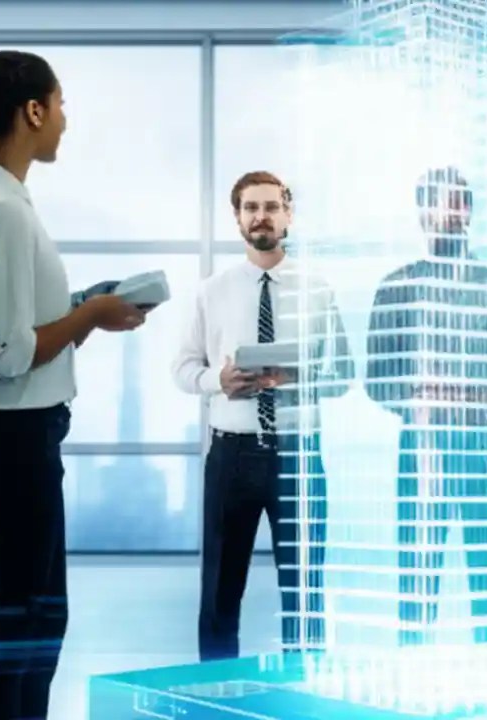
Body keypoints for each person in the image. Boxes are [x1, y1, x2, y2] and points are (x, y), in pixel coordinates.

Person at [0, 50, 147, 720]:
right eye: (59, 105)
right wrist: (89, 315)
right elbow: (7, 352)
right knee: (20, 625)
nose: (64, 120)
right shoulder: (5, 211)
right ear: (33, 111)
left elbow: (6, 328)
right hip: (9, 439)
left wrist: (85, 307)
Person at [172, 170, 354, 659]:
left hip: (297, 456)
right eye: (251, 207)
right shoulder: (213, 291)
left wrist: (294, 379)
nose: (261, 216)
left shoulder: (317, 289)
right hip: (231, 456)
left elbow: (344, 373)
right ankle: (211, 695)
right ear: (237, 218)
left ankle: (303, 694)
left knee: (305, 594)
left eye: (272, 207)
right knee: (219, 594)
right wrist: (219, 381)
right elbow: (184, 368)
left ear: (288, 215)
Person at [365, 166, 487, 646]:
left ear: (470, 212)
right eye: (440, 203)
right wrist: (417, 401)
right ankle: (410, 681)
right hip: (423, 453)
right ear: (422, 214)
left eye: (458, 203)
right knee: (417, 581)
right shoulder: (395, 288)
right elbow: (377, 378)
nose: (450, 213)